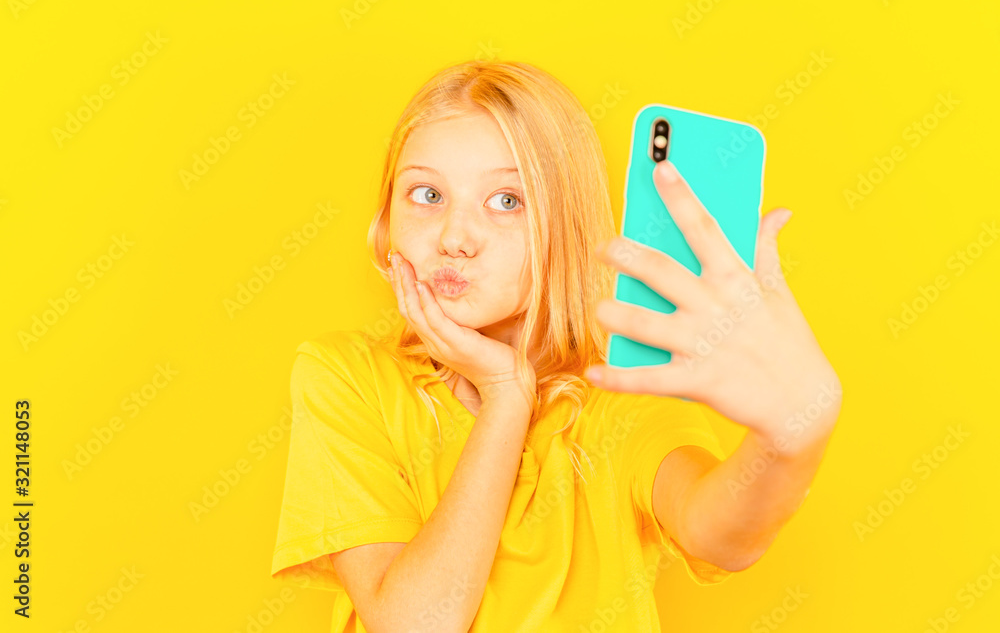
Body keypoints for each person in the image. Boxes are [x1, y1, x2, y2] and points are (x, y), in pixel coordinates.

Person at [270, 60, 842, 632]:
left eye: (506, 201)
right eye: (427, 194)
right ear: (387, 217)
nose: (454, 238)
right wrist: (505, 395)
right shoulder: (348, 378)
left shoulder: (620, 389)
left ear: (565, 226)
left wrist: (793, 436)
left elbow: (715, 532)